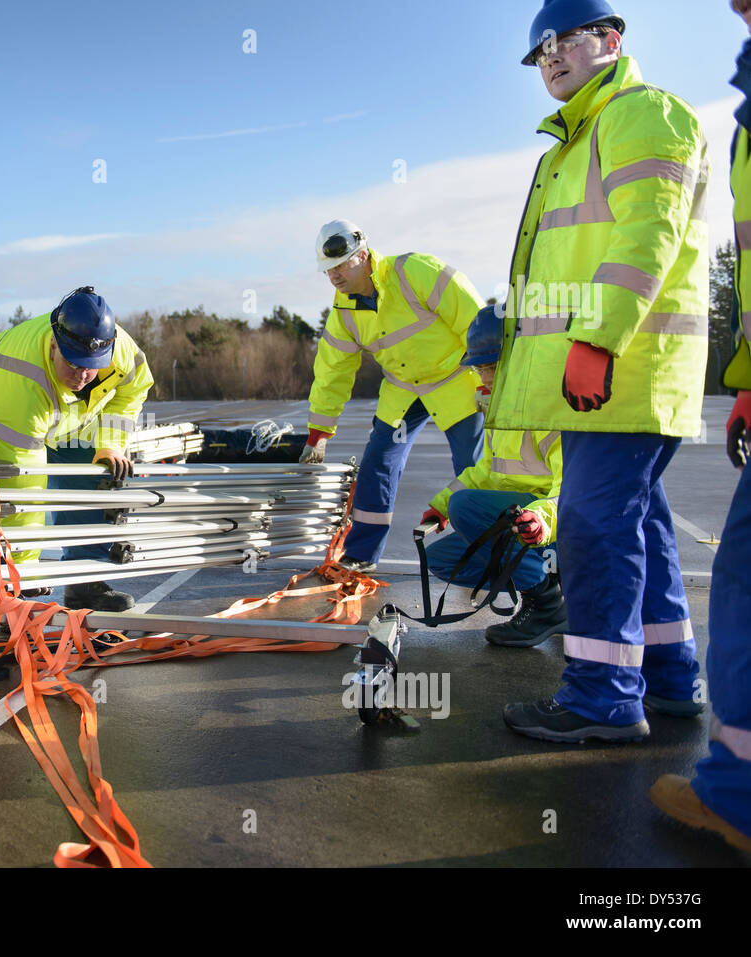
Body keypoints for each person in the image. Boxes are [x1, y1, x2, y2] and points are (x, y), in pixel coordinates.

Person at [494, 1, 708, 743]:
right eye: (538, 53)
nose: (548, 58)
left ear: (610, 41)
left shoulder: (640, 114)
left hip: (624, 371)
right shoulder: (574, 141)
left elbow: (649, 233)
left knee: (593, 524)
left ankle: (602, 696)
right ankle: (670, 676)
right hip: (618, 374)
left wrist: (599, 341)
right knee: (639, 523)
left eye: (561, 43)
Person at [648, 0, 751, 852]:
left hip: (625, 378)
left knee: (746, 582)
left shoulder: (651, 122)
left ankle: (737, 795)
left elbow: (640, 250)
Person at [303, 219, 486, 572]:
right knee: (378, 462)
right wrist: (319, 431)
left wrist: (488, 382)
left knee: (474, 467)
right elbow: (332, 372)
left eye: (340, 265)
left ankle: (478, 552)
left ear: (365, 256)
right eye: (327, 271)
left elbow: (475, 322)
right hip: (403, 388)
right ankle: (361, 554)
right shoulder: (344, 312)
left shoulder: (415, 272)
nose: (335, 276)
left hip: (456, 379)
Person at [0, 287, 154, 611]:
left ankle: (85, 582)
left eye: (91, 367)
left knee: (95, 477)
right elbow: (22, 482)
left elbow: (131, 392)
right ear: (53, 346)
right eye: (74, 364)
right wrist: (26, 569)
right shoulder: (20, 376)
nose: (82, 375)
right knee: (0, 490)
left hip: (69, 413)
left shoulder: (120, 354)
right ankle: (2, 584)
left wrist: (110, 446)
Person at [421, 306, 566, 648]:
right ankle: (551, 580)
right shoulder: (501, 407)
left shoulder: (553, 408)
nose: (484, 378)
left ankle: (546, 601)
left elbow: (572, 490)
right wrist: (439, 506)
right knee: (441, 558)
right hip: (520, 521)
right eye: (479, 368)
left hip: (549, 524)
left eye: (491, 367)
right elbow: (488, 470)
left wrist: (541, 521)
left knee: (466, 507)